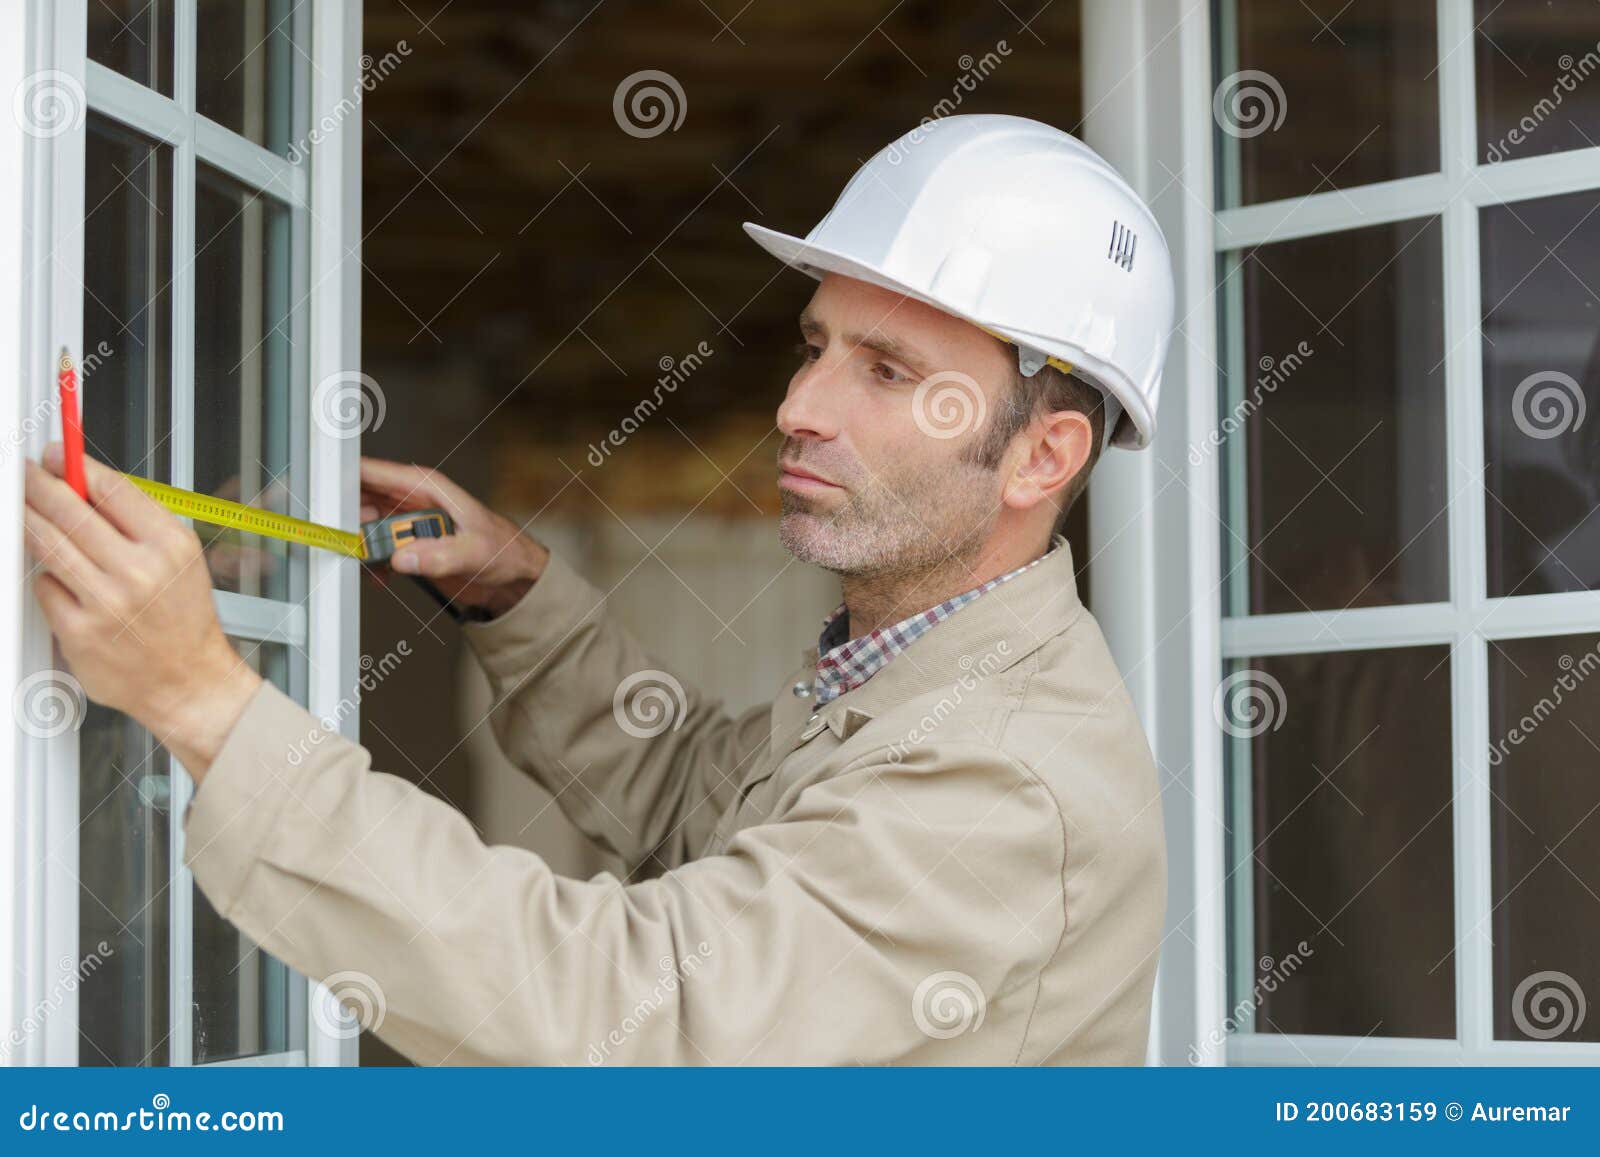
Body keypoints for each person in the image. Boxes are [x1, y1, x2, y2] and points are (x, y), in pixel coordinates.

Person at [23, 115, 1175, 1064]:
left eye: (886, 372)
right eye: (815, 346)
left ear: (1042, 455)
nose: (799, 406)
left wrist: (203, 702)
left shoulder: (1006, 781)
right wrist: (516, 593)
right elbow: (693, 796)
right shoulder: (917, 678)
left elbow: (629, 1009)